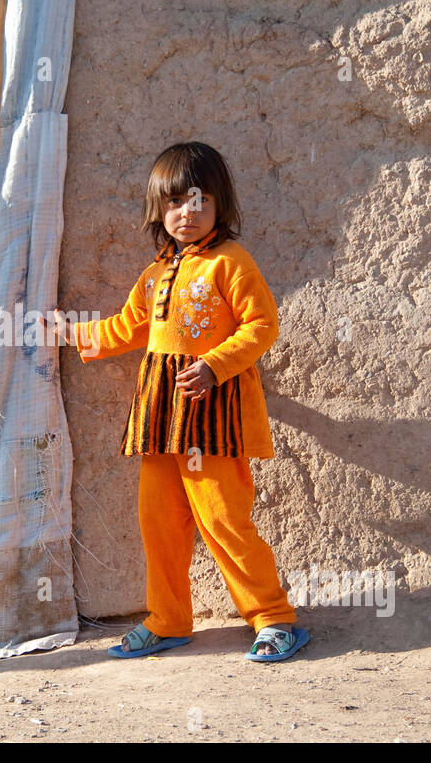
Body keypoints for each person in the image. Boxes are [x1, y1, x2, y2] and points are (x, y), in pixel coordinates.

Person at [44, 141, 309, 662]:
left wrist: (214, 365)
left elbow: (262, 324)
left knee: (223, 521)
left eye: (199, 201)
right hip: (160, 421)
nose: (186, 212)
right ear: (157, 209)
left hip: (213, 420)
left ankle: (275, 618)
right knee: (159, 523)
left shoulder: (231, 262)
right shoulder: (156, 274)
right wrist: (70, 333)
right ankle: (168, 620)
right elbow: (127, 328)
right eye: (174, 203)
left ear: (220, 208)